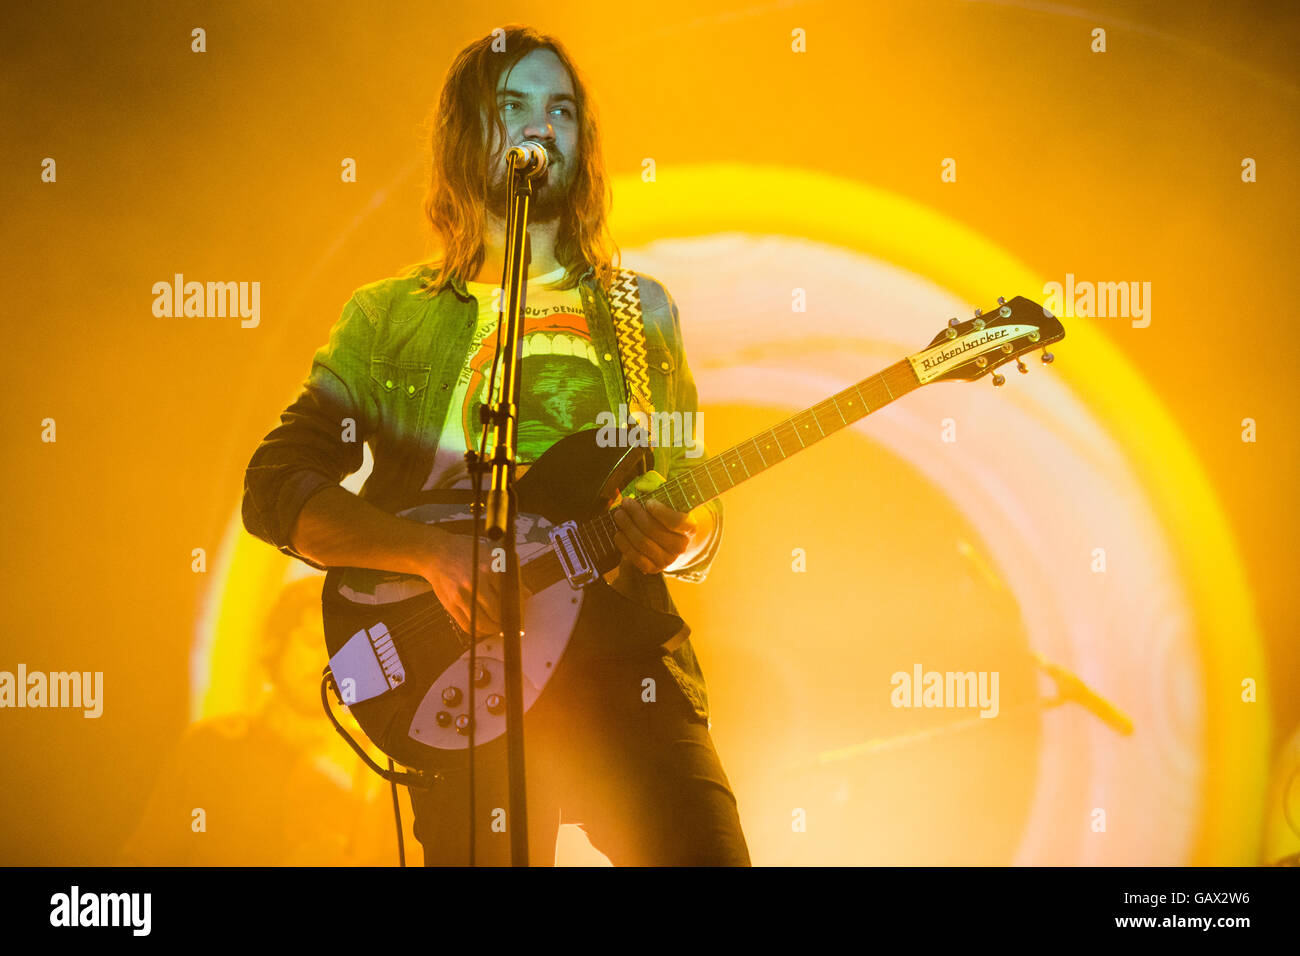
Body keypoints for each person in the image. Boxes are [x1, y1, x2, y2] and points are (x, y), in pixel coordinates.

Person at [241, 25, 750, 866]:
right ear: (467, 135)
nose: (542, 127)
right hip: (459, 668)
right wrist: (431, 555)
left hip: (624, 663)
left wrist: (686, 534)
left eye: (562, 110)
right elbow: (276, 485)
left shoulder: (640, 311)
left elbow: (690, 483)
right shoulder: (389, 317)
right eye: (514, 107)